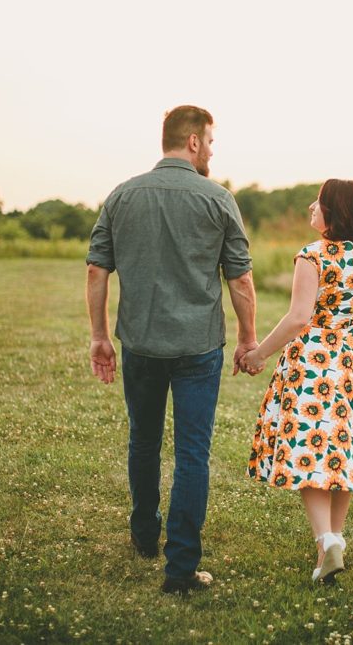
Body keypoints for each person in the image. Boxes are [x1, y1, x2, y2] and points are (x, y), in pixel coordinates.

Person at [85, 105, 257, 594]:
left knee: (143, 440)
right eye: (211, 142)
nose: (212, 152)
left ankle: (144, 535)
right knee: (192, 454)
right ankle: (180, 569)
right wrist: (248, 338)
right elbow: (240, 278)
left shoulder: (122, 195)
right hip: (198, 347)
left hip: (140, 344)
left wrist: (99, 336)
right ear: (194, 141)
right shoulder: (218, 199)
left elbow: (97, 269)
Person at [241, 178, 353, 584]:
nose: (311, 206)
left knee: (310, 448)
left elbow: (298, 318)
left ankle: (326, 539)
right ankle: (333, 542)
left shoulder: (313, 256)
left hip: (317, 363)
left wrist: (259, 354)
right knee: (346, 449)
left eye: (318, 202)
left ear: (333, 211)